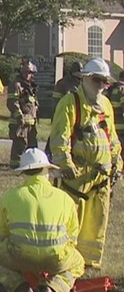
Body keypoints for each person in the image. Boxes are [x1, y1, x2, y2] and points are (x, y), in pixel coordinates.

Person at [0, 149, 83, 292]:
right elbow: (73, 236)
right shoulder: (65, 199)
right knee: (78, 262)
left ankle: (20, 288)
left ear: (24, 172)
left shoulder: (10, 197)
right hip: (55, 258)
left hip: (19, 256)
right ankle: (54, 290)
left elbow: (2, 234)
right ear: (47, 171)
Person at [48, 58, 121, 270]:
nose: (102, 85)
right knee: (73, 223)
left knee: (97, 223)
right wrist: (65, 165)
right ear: (86, 79)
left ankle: (90, 263)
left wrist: (117, 162)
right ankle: (68, 262)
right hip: (76, 179)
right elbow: (59, 138)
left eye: (105, 82)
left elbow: (111, 137)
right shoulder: (70, 103)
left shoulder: (105, 104)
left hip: (101, 179)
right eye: (98, 80)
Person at [7, 60, 39, 168]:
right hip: (20, 123)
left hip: (30, 123)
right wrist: (19, 116)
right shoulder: (16, 85)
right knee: (19, 146)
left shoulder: (30, 87)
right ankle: (15, 166)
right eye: (25, 72)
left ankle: (31, 166)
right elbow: (12, 102)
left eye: (30, 73)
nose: (27, 75)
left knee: (32, 146)